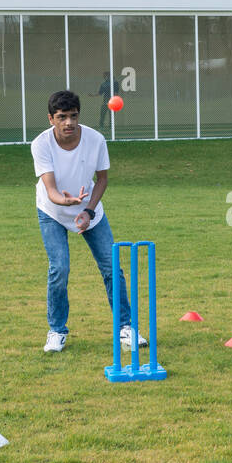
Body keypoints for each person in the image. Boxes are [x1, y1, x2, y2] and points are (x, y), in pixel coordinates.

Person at [31, 89, 146, 353]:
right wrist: (67, 202)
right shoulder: (40, 144)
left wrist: (88, 211)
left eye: (73, 116)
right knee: (59, 268)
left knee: (111, 267)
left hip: (90, 211)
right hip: (53, 211)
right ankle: (57, 331)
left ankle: (125, 328)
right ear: (51, 119)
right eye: (62, 117)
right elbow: (50, 191)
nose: (69, 123)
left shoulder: (95, 139)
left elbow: (102, 179)